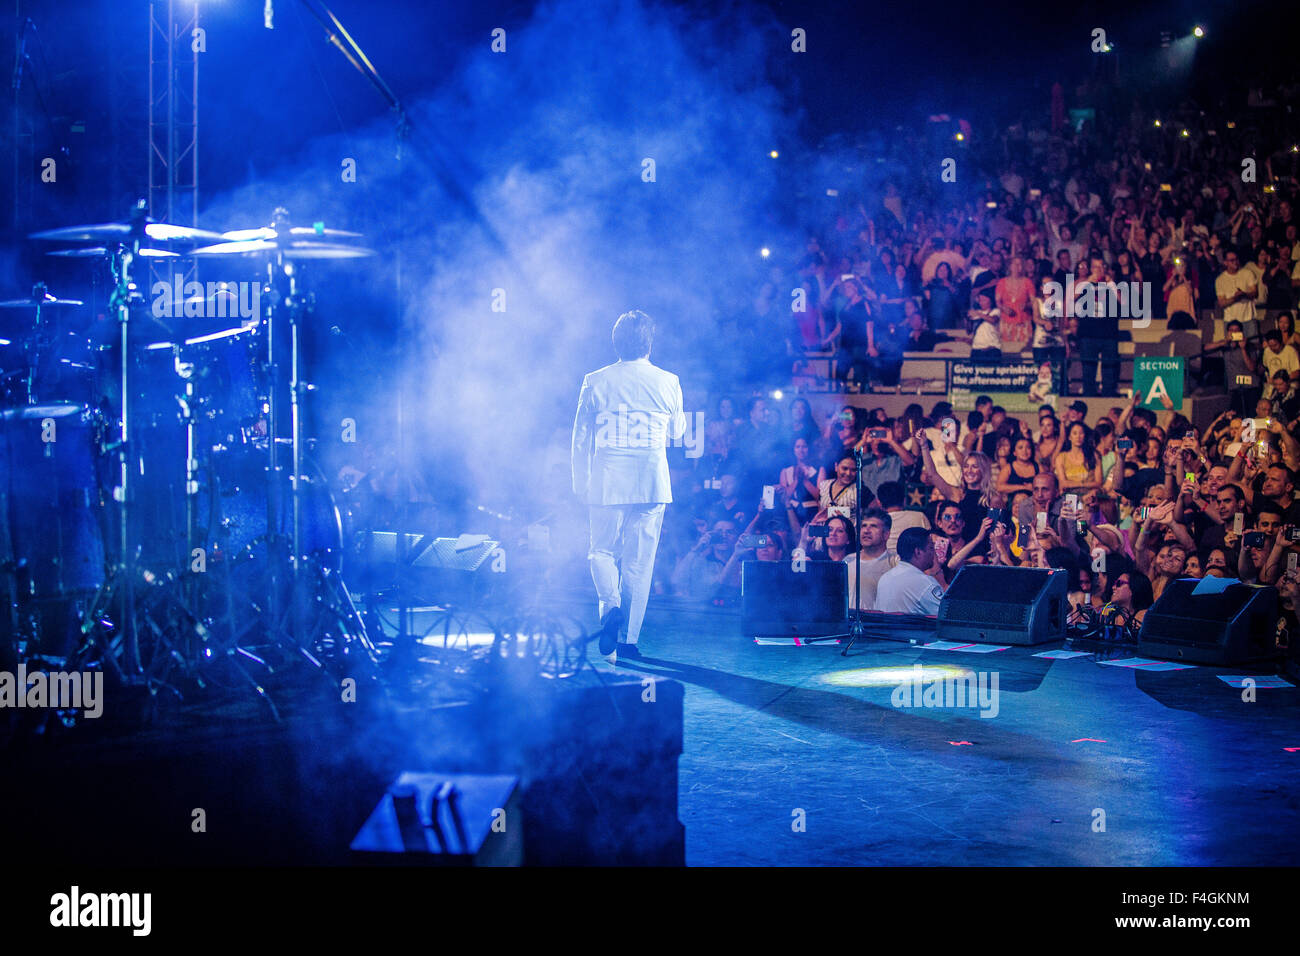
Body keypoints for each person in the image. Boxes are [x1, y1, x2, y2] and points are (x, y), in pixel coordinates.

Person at [572, 310, 686, 663]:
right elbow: (678, 433)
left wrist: (579, 482)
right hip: (652, 481)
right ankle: (628, 642)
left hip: (607, 480)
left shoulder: (595, 379)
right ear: (650, 342)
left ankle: (611, 610)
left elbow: (580, 438)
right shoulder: (669, 380)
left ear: (615, 341)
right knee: (640, 563)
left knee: (601, 551)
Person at [874, 527, 947, 615]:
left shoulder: (885, 578)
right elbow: (947, 616)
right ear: (918, 552)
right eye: (931, 548)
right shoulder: (925, 583)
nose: (934, 554)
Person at [845, 508, 897, 611]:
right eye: (864, 526)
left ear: (886, 534)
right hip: (850, 624)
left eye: (873, 526)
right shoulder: (848, 561)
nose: (866, 531)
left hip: (878, 624)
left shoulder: (895, 562)